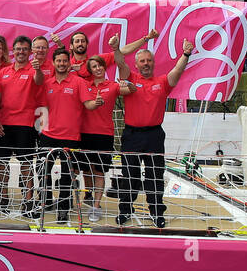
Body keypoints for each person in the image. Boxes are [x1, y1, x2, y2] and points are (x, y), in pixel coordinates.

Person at [113, 35, 195, 228]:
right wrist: (116, 48)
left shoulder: (162, 82)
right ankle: (125, 210)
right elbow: (120, 63)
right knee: (129, 175)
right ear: (137, 64)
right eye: (142, 61)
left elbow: (177, 70)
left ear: (154, 63)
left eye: (149, 60)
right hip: (132, 135)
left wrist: (186, 53)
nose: (146, 63)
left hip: (154, 135)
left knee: (155, 175)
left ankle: (157, 211)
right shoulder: (129, 79)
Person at [33, 47, 90, 223]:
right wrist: (41, 130)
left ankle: (63, 208)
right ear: (54, 63)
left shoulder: (79, 82)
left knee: (67, 174)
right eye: (59, 61)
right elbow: (41, 109)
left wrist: (96, 103)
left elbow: (88, 105)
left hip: (71, 136)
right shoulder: (47, 83)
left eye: (65, 60)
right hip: (49, 135)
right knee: (43, 170)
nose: (62, 63)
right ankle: (45, 200)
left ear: (69, 62)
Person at [0, 35, 43, 214]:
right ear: (13, 51)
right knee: (1, 162)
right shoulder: (3, 71)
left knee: (26, 163)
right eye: (18, 49)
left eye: (24, 49)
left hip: (25, 124)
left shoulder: (34, 70)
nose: (21, 52)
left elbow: (39, 81)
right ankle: (3, 197)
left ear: (30, 52)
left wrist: (38, 70)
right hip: (3, 123)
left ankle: (28, 200)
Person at [79, 54, 122, 223]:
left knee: (99, 171)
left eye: (100, 66)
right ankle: (88, 195)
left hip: (104, 134)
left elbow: (128, 89)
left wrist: (128, 85)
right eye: (94, 67)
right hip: (83, 133)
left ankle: (96, 206)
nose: (97, 69)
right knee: (85, 169)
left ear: (105, 67)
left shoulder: (113, 86)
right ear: (90, 70)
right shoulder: (84, 85)